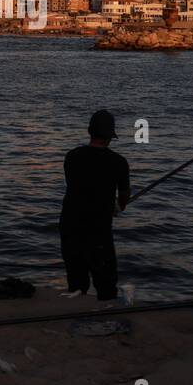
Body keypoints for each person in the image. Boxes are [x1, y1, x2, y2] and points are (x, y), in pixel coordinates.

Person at [60, 109, 131, 301]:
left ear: (90, 131)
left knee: (76, 285)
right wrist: (118, 206)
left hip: (69, 227)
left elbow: (76, 185)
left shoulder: (72, 156)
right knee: (106, 287)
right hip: (98, 231)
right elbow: (124, 195)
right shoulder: (119, 162)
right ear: (110, 136)